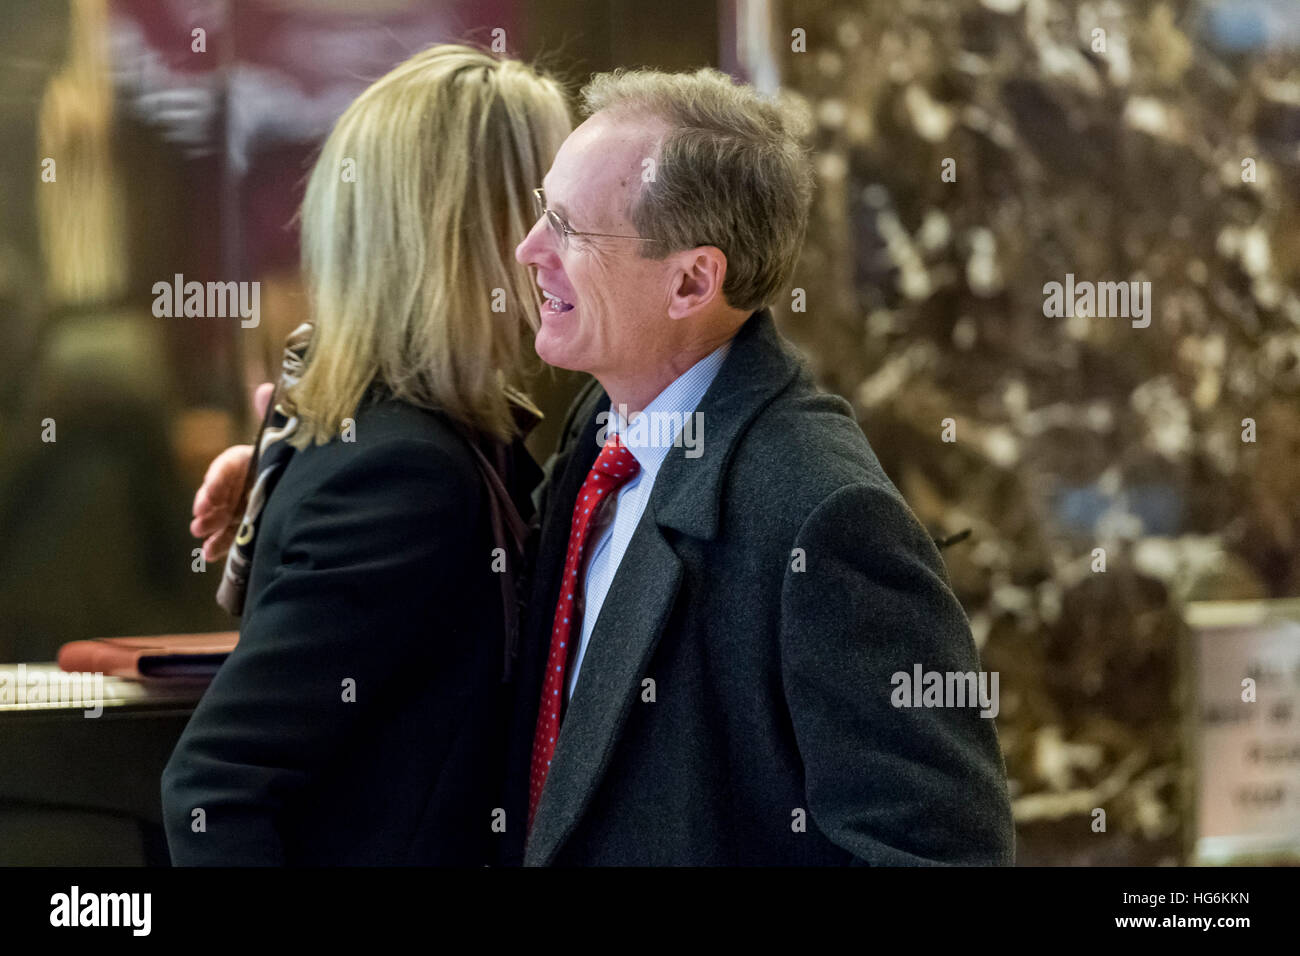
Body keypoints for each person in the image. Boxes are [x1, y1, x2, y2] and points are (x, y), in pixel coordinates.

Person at [193, 66, 1015, 866]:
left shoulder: (826, 516)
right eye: (541, 209)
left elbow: (939, 849)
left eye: (570, 227)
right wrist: (283, 465)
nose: (527, 248)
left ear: (692, 281)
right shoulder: (602, 426)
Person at [161, 44, 571, 865]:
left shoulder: (409, 436)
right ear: (480, 233)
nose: (566, 240)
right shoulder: (404, 473)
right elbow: (216, 786)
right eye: (553, 205)